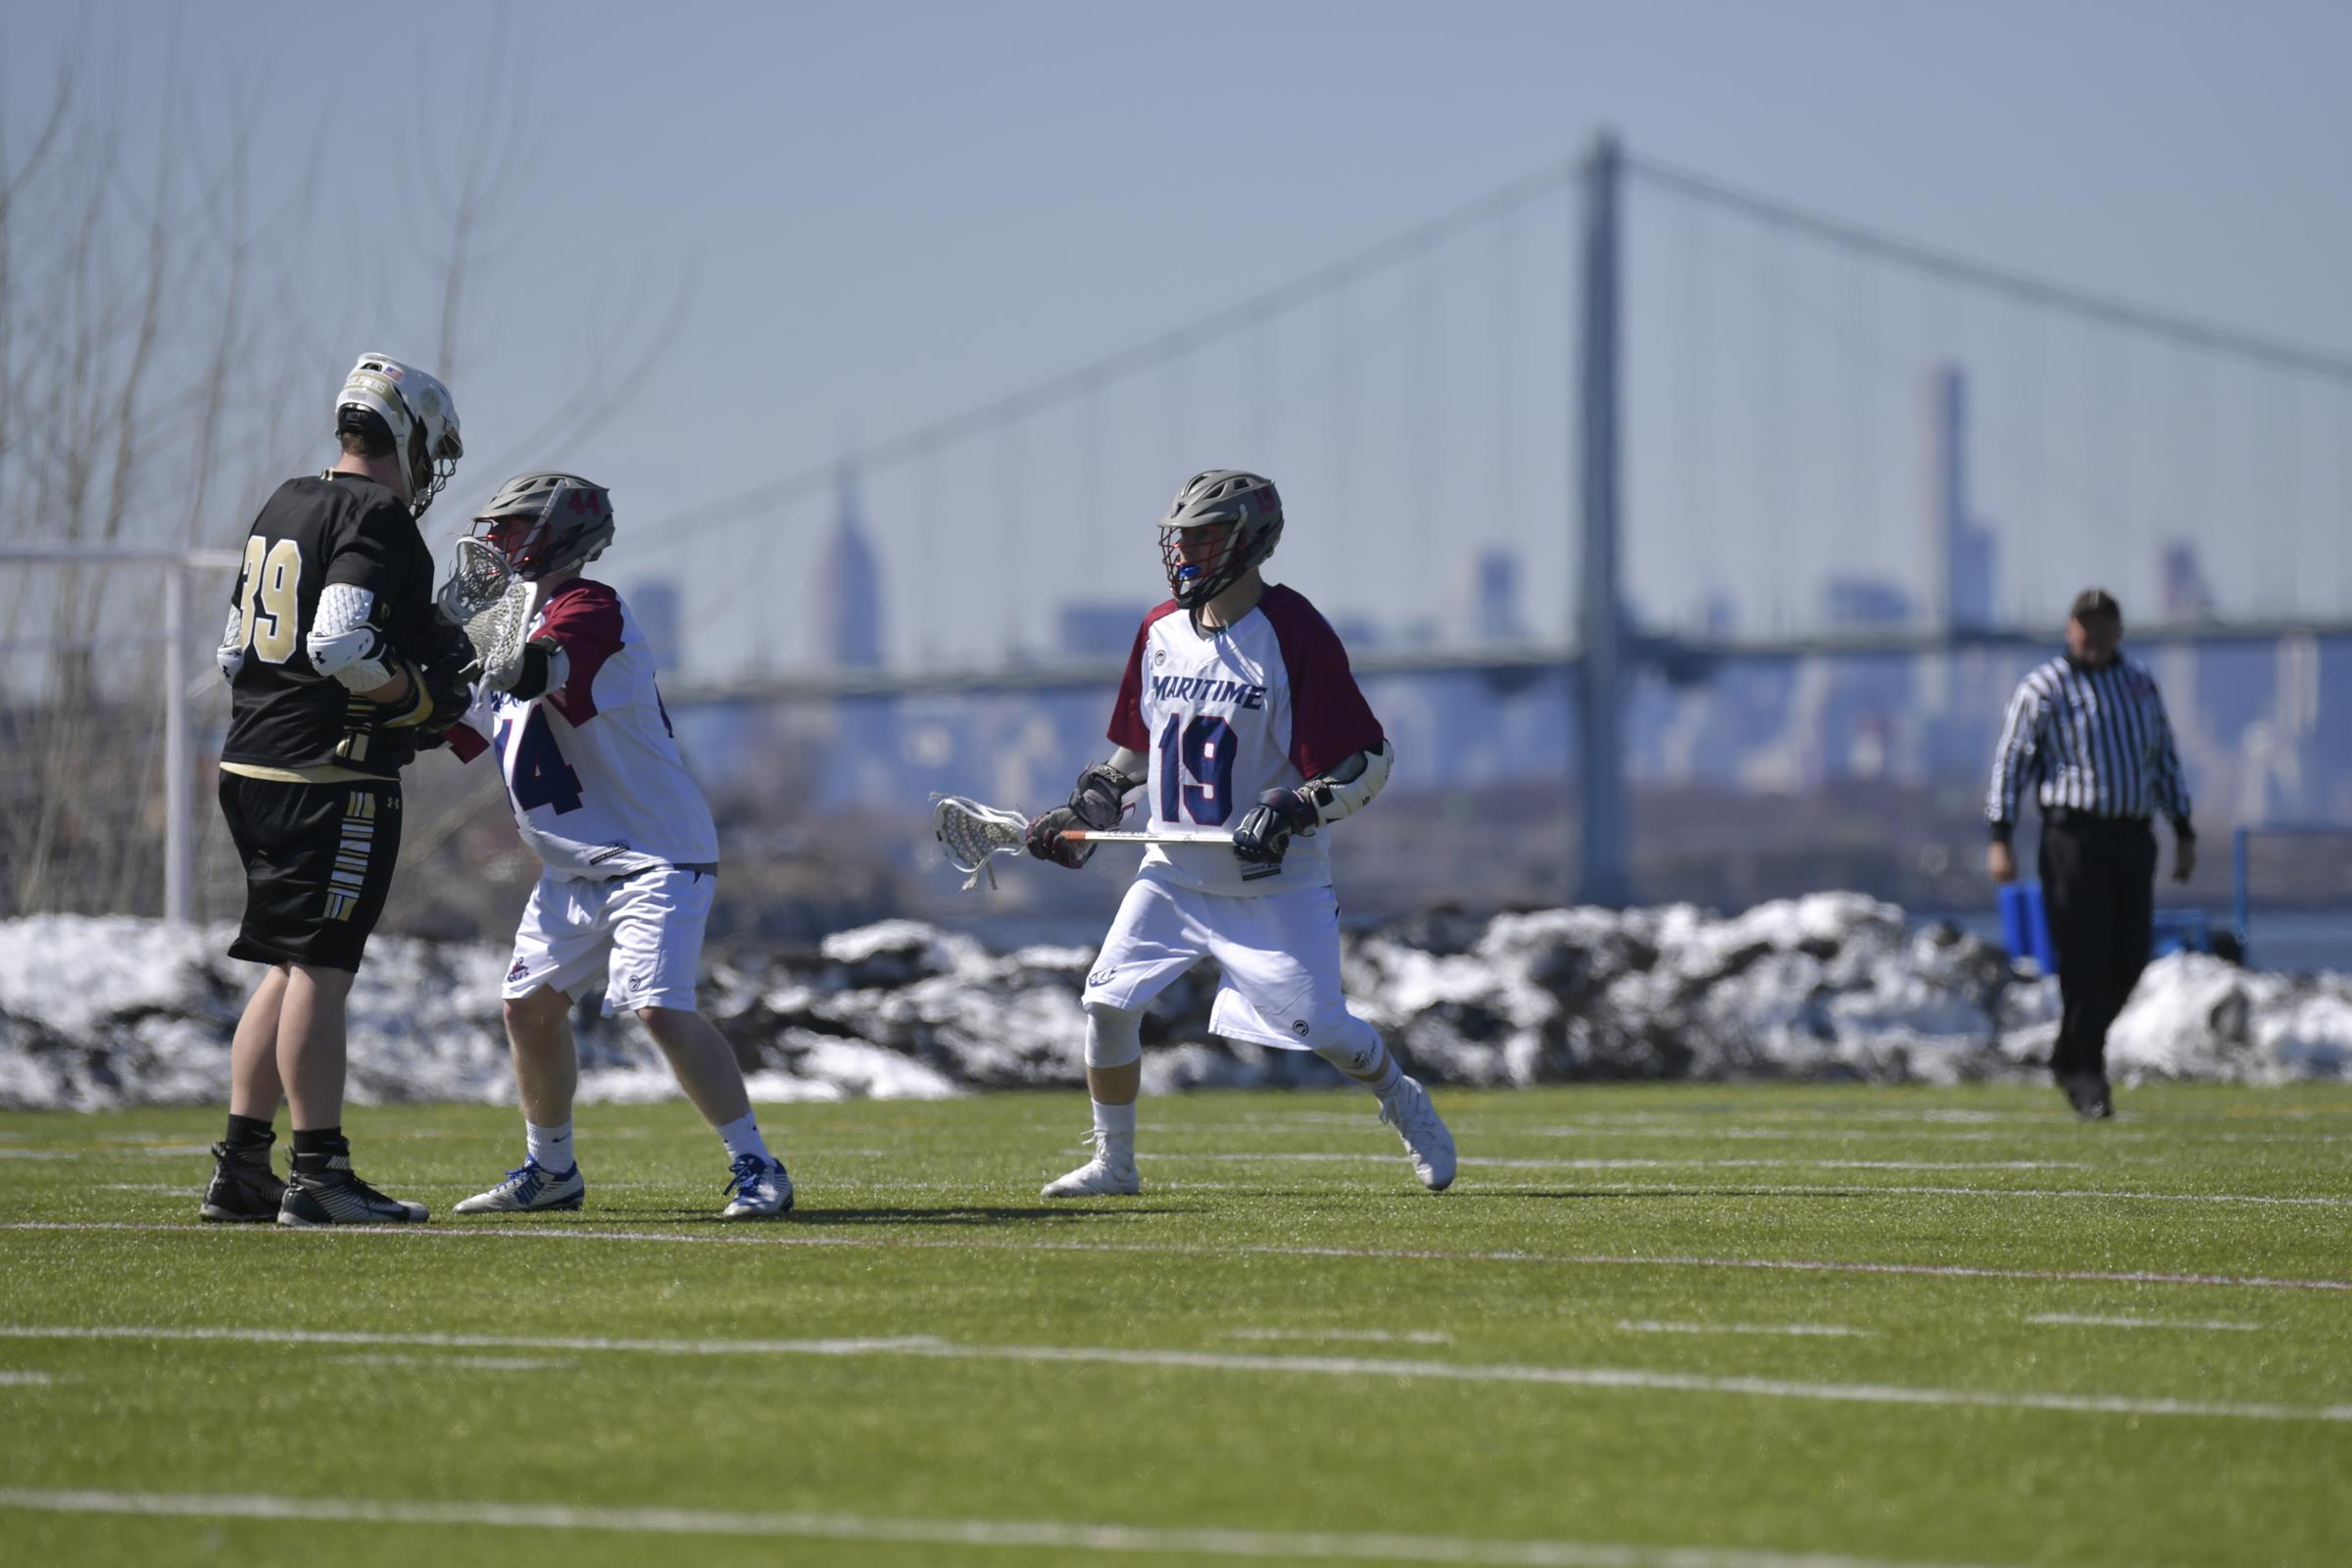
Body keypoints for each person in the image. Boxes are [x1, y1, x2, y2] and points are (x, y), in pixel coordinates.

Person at [1026, 469, 1455, 1196]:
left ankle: (1400, 1097)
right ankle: (1116, 1163)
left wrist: (1297, 807)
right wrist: (1094, 801)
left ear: (1250, 542)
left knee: (1321, 1030)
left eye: (1205, 538)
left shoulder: (1294, 633)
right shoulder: (1159, 629)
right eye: (1181, 539)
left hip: (1269, 880)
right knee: (1106, 1002)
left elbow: (1367, 762)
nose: (1187, 554)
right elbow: (1141, 744)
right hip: (1172, 870)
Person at [439, 472, 792, 1220]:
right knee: (526, 1009)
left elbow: (535, 671)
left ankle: (758, 1164)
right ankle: (552, 1170)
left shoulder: (589, 607)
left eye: (513, 528)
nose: (494, 542)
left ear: (556, 533)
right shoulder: (509, 616)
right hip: (574, 864)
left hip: (654, 853)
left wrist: (462, 641)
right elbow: (451, 726)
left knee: (658, 1008)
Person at [204, 353, 470, 1225]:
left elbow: (233, 654)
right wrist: (420, 698)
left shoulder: (287, 499)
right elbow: (339, 646)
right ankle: (318, 1173)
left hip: (249, 764)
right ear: (410, 435)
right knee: (322, 968)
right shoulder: (379, 515)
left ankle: (243, 1167)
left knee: (289, 964)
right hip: (327, 775)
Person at [1986, 588, 2195, 1119]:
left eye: (2103, 624)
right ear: (2068, 629)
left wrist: (2183, 829)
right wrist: (2000, 836)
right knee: (2084, 959)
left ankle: (2069, 1051)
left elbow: (2163, 758)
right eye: (2084, 624)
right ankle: (2086, 1072)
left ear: (2118, 631)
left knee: (2129, 959)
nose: (2093, 634)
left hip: (2131, 836)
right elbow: (2011, 764)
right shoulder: (2043, 689)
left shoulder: (2140, 685)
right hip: (2072, 840)